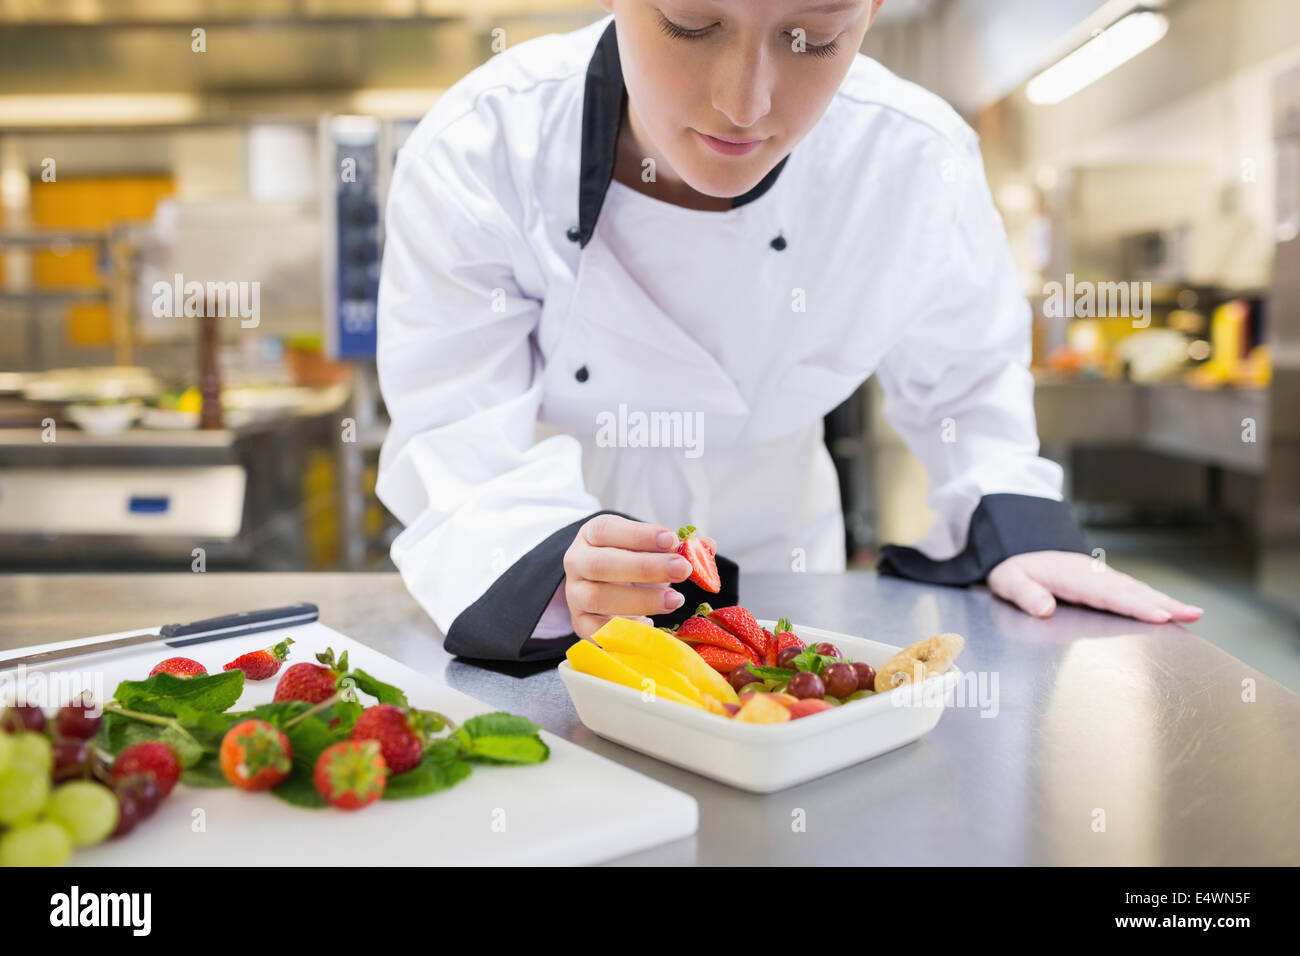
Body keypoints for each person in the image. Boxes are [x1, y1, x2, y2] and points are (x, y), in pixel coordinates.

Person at [376, 0, 1202, 662]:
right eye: (692, 26)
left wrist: (1016, 530)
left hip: (793, 567)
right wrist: (552, 563)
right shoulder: (484, 146)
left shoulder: (911, 157)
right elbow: (454, 429)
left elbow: (969, 385)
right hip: (561, 575)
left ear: (872, 14)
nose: (745, 103)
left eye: (814, 38)